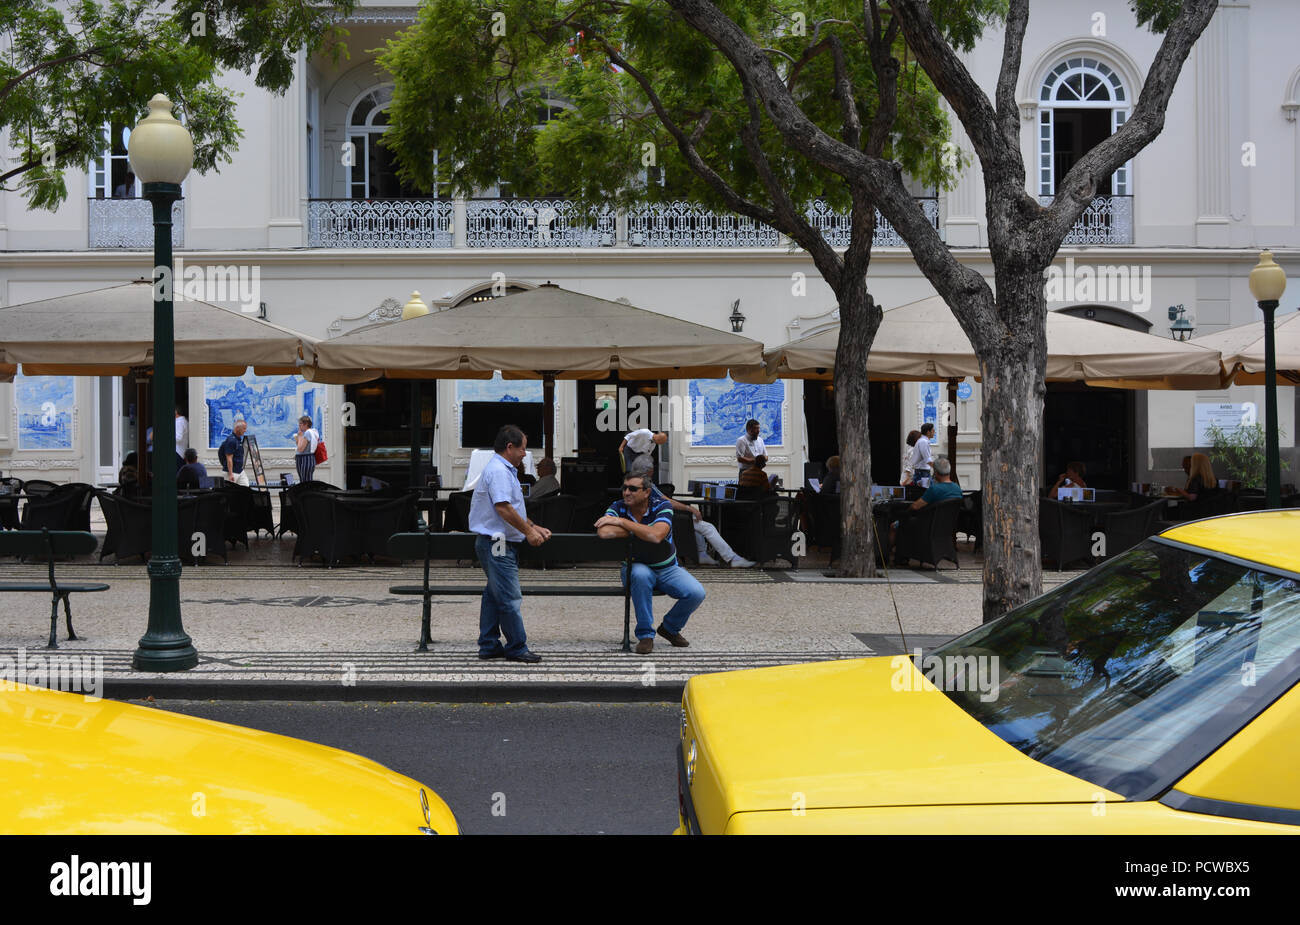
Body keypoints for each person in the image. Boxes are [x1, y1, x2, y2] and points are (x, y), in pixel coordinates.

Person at [597, 470, 706, 654]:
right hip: (635, 564)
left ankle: (670, 628)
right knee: (640, 575)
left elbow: (657, 536)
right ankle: (646, 635)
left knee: (696, 593)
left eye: (633, 489)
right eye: (624, 488)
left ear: (647, 492)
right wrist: (642, 530)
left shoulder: (661, 505)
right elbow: (605, 532)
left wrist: (622, 523)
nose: (627, 493)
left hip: (667, 567)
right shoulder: (617, 506)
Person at [471, 425, 549, 663]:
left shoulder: (502, 470)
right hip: (499, 543)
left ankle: (489, 644)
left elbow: (510, 508)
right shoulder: (499, 471)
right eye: (523, 449)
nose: (525, 454)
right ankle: (516, 646)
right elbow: (503, 507)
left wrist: (532, 526)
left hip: (496, 541)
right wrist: (529, 533)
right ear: (510, 447)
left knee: (495, 595)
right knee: (509, 596)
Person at [628, 460, 754, 568]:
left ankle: (701, 554)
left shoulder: (633, 484)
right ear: (648, 470)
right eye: (652, 469)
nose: (653, 471)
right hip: (661, 519)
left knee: (696, 522)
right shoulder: (646, 484)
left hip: (652, 518)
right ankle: (732, 559)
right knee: (708, 527)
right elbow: (667, 501)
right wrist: (689, 508)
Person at [890, 456, 962, 552]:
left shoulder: (935, 489)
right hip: (947, 527)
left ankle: (891, 555)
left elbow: (915, 506)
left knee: (896, 524)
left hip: (928, 527)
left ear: (935, 473)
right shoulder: (957, 488)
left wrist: (907, 511)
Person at [218, 419, 249, 485]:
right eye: (244, 428)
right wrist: (230, 474)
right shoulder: (231, 440)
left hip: (240, 471)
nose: (245, 430)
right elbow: (229, 459)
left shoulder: (238, 440)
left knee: (245, 488)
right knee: (229, 494)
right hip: (231, 472)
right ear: (237, 428)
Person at [294, 415, 320, 483]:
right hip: (306, 458)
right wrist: (299, 438)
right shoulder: (310, 432)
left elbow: (300, 449)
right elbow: (300, 446)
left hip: (305, 459)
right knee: (306, 480)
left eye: (300, 424)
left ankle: (307, 493)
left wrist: (299, 436)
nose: (299, 426)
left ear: (306, 424)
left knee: (305, 482)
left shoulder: (308, 433)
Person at [174, 407, 189, 472]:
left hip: (177, 452)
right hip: (182, 452)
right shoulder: (185, 421)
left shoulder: (178, 422)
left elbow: (178, 438)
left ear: (176, 412)